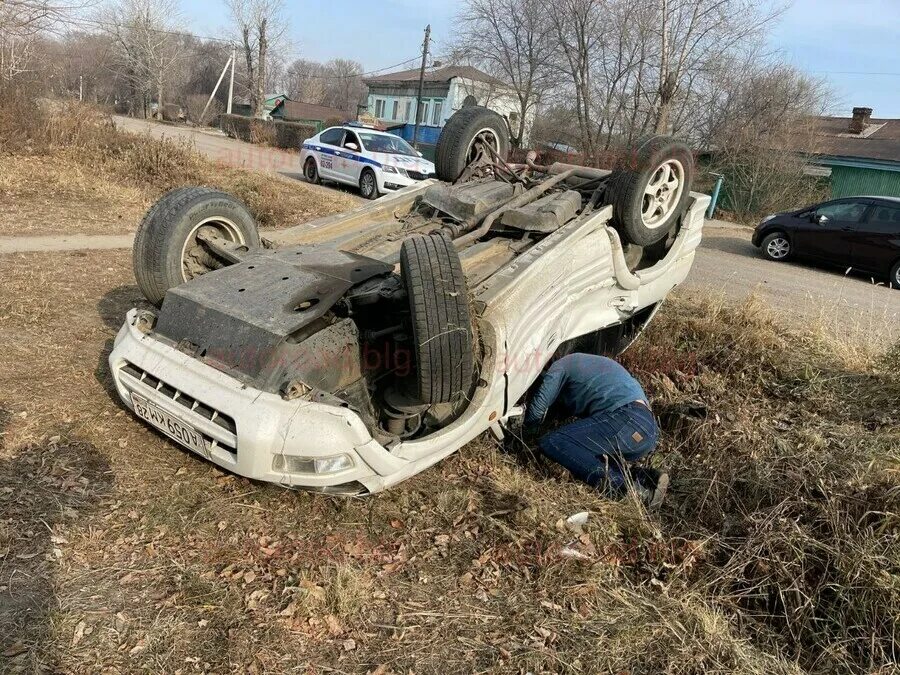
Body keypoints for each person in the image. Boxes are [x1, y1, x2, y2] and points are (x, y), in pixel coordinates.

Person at [521, 353, 667, 506]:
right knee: (588, 452)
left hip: (627, 419)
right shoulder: (587, 364)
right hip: (647, 430)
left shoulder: (561, 365)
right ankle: (644, 479)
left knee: (554, 441)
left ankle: (624, 489)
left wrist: (527, 435)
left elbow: (540, 404)